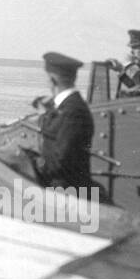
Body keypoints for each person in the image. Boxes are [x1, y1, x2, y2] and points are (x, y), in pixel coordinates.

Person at [32, 51, 96, 191]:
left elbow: (61, 161)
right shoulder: (69, 107)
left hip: (67, 192)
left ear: (53, 80)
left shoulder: (74, 112)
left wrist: (31, 163)